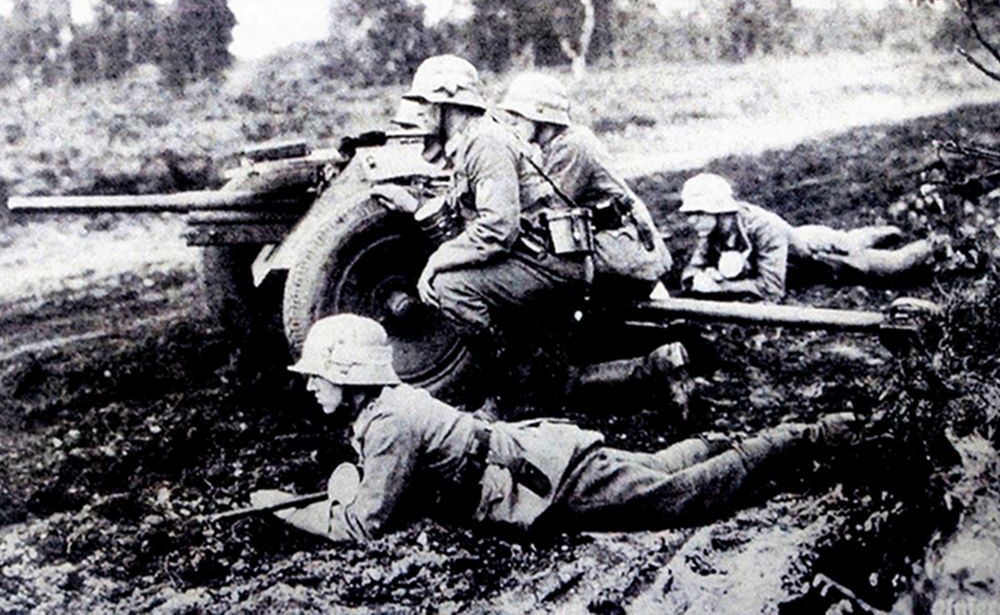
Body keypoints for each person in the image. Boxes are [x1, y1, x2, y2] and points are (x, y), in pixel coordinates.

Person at [251, 314, 858, 542]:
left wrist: (284, 508)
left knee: (681, 498)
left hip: (547, 480)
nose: (309, 385)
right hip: (542, 457)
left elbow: (365, 524)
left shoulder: (387, 423)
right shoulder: (383, 410)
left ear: (350, 375)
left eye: (317, 375)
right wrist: (342, 487)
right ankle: (727, 445)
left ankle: (807, 438)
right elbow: (383, 492)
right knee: (659, 469)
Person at [401, 56, 588, 337]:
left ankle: (505, 371)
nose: (419, 112)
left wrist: (437, 260)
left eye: (424, 102)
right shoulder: (470, 142)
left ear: (446, 105)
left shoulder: (486, 142)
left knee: (450, 288)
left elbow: (498, 228)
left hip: (549, 264)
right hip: (531, 256)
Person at [497, 72, 673, 297]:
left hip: (621, 258)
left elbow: (544, 211)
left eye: (518, 115)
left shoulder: (572, 147)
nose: (512, 121)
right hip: (613, 252)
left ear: (541, 115)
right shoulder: (555, 146)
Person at [678, 172, 941, 302]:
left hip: (819, 256)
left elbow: (771, 290)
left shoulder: (762, 226)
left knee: (895, 266)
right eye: (690, 214)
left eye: (698, 213)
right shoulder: (711, 230)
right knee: (848, 240)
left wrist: (720, 287)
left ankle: (937, 244)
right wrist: (698, 279)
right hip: (792, 250)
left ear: (718, 210)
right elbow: (691, 272)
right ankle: (867, 235)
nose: (691, 220)